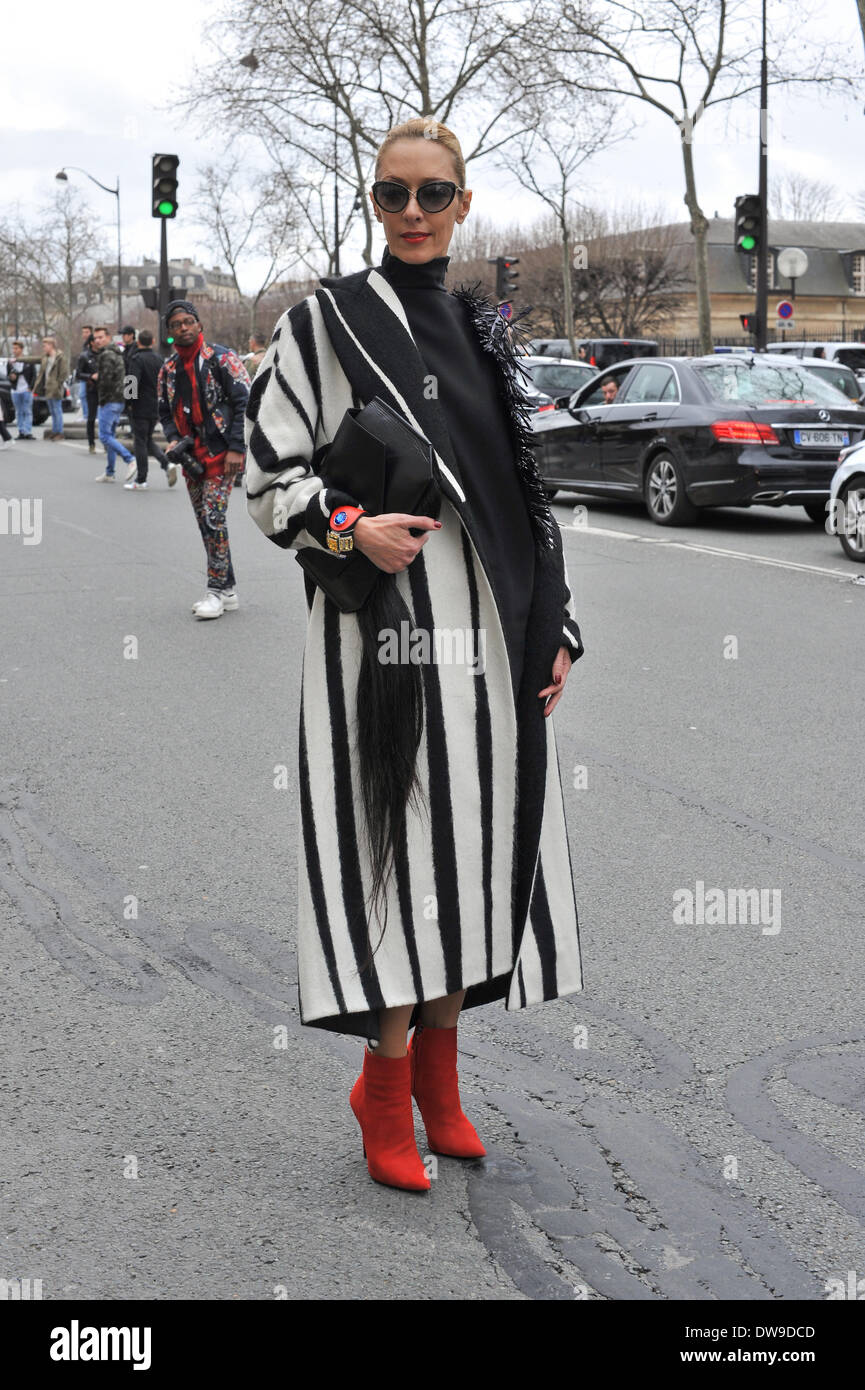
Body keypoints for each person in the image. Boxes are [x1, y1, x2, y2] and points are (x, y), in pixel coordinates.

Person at [245, 118, 585, 1193]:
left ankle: (440, 1083)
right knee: (398, 858)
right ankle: (384, 1091)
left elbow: (522, 497)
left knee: (477, 859)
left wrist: (557, 625)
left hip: (493, 643)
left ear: (464, 203)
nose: (412, 214)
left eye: (433, 195)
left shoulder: (485, 333)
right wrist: (350, 529)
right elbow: (263, 479)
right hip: (381, 638)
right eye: (392, 194)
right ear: (373, 200)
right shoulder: (326, 322)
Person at [157, 299, 250, 616]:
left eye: (187, 322)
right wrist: (172, 440)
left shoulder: (222, 358)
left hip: (222, 454)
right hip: (190, 459)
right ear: (169, 332)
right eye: (175, 324)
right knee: (207, 525)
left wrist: (237, 447)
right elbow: (164, 413)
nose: (182, 328)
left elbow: (245, 403)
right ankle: (229, 589)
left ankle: (214, 592)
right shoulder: (168, 370)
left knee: (213, 519)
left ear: (199, 325)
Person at [125, 330, 173, 490]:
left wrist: (128, 403)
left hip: (139, 407)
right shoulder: (159, 359)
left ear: (138, 342)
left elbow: (132, 382)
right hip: (156, 406)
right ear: (152, 341)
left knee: (139, 441)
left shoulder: (136, 359)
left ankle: (141, 479)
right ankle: (166, 464)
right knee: (147, 439)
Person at [91, 326, 136, 482]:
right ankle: (110, 472)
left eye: (100, 337)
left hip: (109, 400)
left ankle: (129, 459)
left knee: (104, 435)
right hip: (119, 399)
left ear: (108, 337)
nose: (97, 340)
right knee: (109, 435)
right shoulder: (117, 353)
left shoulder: (106, 355)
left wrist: (101, 396)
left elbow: (106, 380)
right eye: (95, 338)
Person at [32, 335, 67, 440]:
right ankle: (55, 431)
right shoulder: (45, 357)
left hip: (55, 388)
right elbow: (33, 359)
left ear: (51, 345)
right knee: (52, 411)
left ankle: (59, 432)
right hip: (47, 388)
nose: (43, 348)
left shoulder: (60, 357)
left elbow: (64, 373)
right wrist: (18, 359)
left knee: (57, 410)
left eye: (45, 346)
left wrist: (58, 384)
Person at [76, 326, 98, 453]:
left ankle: (107, 441)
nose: (99, 342)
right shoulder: (84, 356)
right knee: (91, 417)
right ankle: (91, 443)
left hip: (106, 390)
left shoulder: (106, 354)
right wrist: (90, 376)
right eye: (96, 339)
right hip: (92, 388)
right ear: (91, 343)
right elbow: (78, 374)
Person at [7, 341, 36, 440]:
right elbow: (8, 376)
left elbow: (34, 375)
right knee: (18, 411)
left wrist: (30, 387)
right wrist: (12, 377)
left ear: (21, 349)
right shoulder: (11, 361)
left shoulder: (28, 360)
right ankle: (21, 431)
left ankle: (28, 431)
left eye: (16, 348)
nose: (14, 350)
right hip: (15, 391)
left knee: (27, 411)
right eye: (13, 348)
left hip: (26, 390)